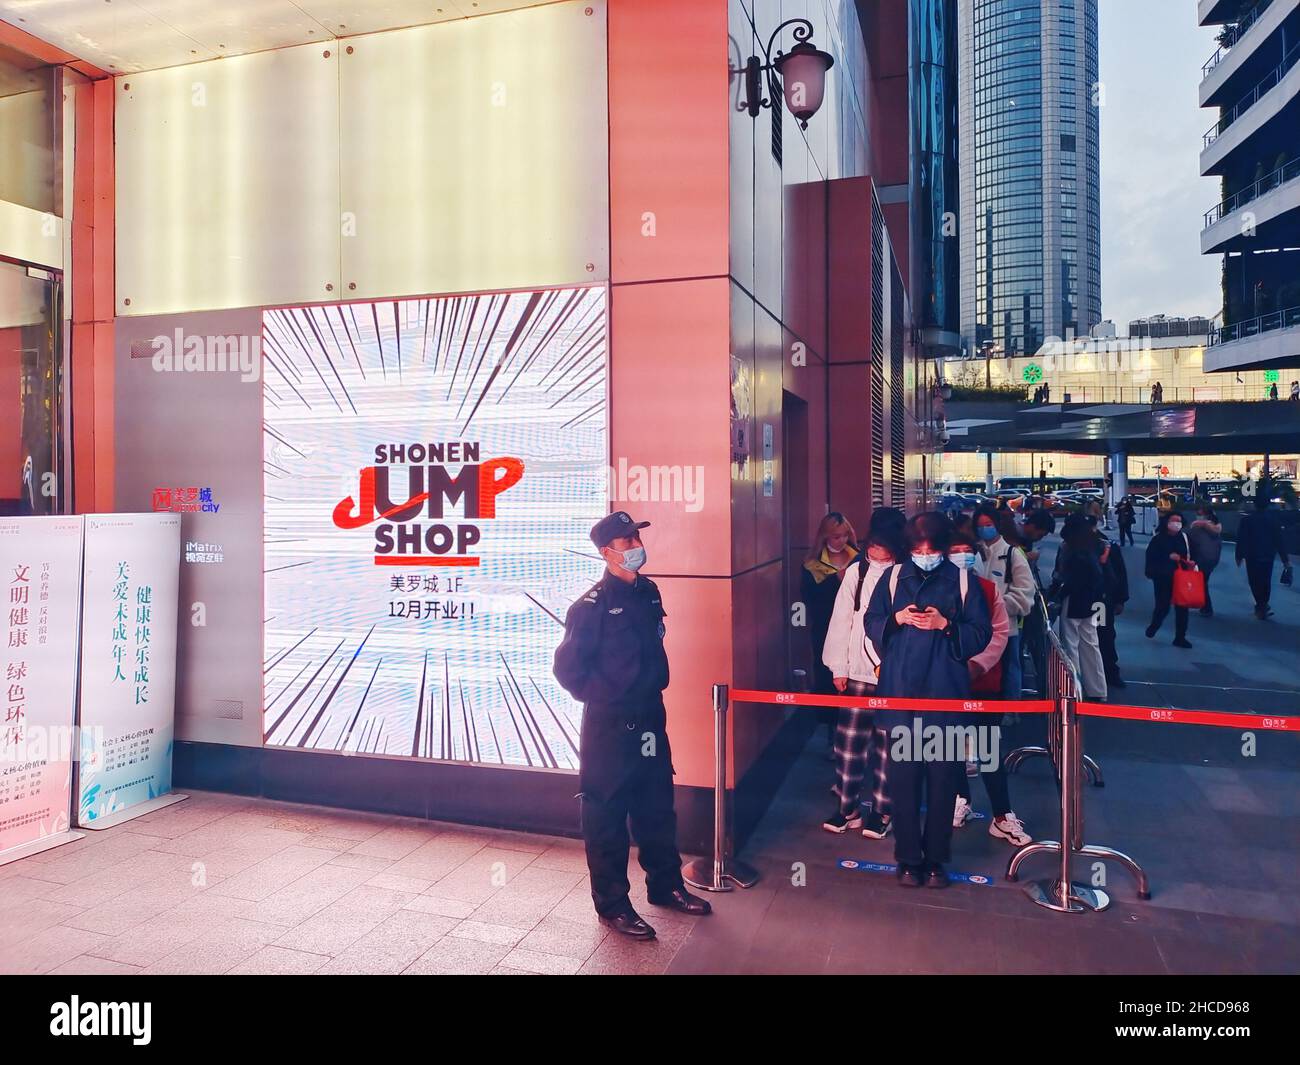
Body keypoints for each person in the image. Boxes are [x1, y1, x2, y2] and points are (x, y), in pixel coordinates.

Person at [552, 511, 711, 939]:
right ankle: (613, 906)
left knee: (657, 807)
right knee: (606, 816)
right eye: (625, 542)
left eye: (635, 538)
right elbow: (567, 670)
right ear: (607, 553)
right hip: (608, 725)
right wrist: (607, 696)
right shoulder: (589, 607)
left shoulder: (648, 591)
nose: (635, 546)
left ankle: (666, 886)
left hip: (648, 719)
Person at [865, 512, 993, 889]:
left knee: (942, 784)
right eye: (918, 549)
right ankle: (907, 859)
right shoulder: (891, 579)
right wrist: (897, 619)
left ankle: (936, 860)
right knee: (903, 785)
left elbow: (981, 633)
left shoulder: (963, 582)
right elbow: (871, 623)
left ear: (941, 548)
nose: (925, 555)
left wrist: (946, 625)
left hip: (945, 697)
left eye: (932, 549)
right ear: (909, 548)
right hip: (902, 696)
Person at [947, 530, 1032, 846]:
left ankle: (1002, 815)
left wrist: (976, 664)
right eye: (955, 549)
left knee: (989, 749)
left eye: (967, 550)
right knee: (949, 746)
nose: (962, 555)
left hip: (984, 683)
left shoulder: (988, 589)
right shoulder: (935, 589)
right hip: (947, 685)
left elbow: (1000, 634)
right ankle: (960, 800)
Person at [821, 529, 903, 839]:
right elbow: (842, 619)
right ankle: (848, 808)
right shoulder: (858, 570)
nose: (877, 555)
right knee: (849, 746)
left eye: (884, 550)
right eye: (873, 549)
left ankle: (882, 811)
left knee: (888, 747)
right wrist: (838, 667)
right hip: (856, 672)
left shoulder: (907, 574)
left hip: (893, 676)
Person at [801, 512, 860, 738]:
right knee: (827, 679)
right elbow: (810, 599)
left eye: (845, 536)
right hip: (825, 630)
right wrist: (834, 582)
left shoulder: (859, 559)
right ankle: (831, 732)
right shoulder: (812, 565)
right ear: (825, 537)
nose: (841, 541)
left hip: (856, 629)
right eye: (836, 537)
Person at [973, 506, 1034, 701]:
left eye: (988, 524)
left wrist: (998, 606)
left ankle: (1011, 708)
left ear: (997, 525)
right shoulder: (971, 552)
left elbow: (1026, 591)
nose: (985, 529)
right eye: (980, 525)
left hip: (1007, 627)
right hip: (976, 627)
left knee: (1009, 668)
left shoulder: (1012, 554)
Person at [1052, 515, 1108, 699]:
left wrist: (1059, 594)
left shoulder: (1072, 549)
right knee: (1091, 643)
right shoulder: (1097, 546)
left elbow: (1066, 577)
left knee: (1070, 645)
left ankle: (1073, 689)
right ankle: (1098, 689)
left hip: (1073, 598)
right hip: (1093, 599)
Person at [1236, 492, 1290, 620]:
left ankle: (1261, 605)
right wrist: (1285, 560)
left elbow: (1241, 539)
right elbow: (1279, 541)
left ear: (1255, 505)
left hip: (1252, 555)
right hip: (1268, 555)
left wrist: (1239, 556)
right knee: (1266, 581)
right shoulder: (1274, 521)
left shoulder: (1247, 520)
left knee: (1254, 581)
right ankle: (1263, 605)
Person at [1144, 510, 1193, 648]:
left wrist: (1190, 562)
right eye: (1174, 520)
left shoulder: (1184, 538)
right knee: (1162, 605)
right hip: (1163, 577)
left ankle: (1180, 637)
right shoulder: (1158, 539)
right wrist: (1167, 557)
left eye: (1179, 521)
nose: (1176, 524)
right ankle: (1155, 625)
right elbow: (1151, 557)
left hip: (1181, 576)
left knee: (1182, 607)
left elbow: (1190, 554)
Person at [1097, 525, 1130, 689]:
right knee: (1101, 635)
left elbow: (1119, 574)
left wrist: (1120, 599)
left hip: (1100, 601)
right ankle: (1105, 672)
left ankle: (1108, 671)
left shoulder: (1108, 545)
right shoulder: (1074, 543)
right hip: (1095, 600)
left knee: (1104, 634)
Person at [1188, 505, 1223, 617]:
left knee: (1201, 582)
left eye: (1200, 513)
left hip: (1201, 558)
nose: (1198, 515)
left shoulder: (1197, 528)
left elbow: (1189, 542)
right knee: (1203, 581)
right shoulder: (1216, 528)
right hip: (1212, 560)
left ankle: (1206, 607)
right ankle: (1205, 606)